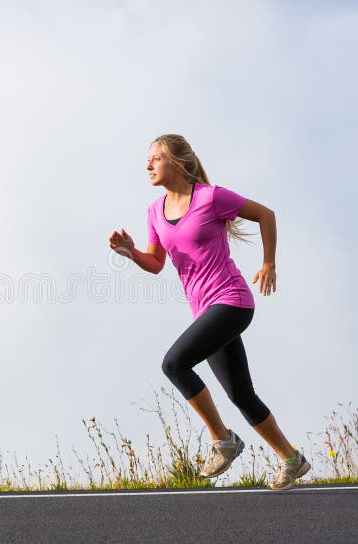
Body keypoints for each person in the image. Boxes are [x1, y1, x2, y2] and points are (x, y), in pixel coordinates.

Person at [108, 133, 310, 490]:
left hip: (231, 300)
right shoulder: (155, 211)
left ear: (178, 162)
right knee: (240, 394)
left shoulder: (210, 197)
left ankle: (223, 440)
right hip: (205, 312)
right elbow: (156, 263)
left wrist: (269, 263)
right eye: (148, 159)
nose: (148, 165)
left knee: (174, 364)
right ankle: (291, 459)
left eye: (156, 158)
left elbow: (265, 215)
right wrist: (131, 252)